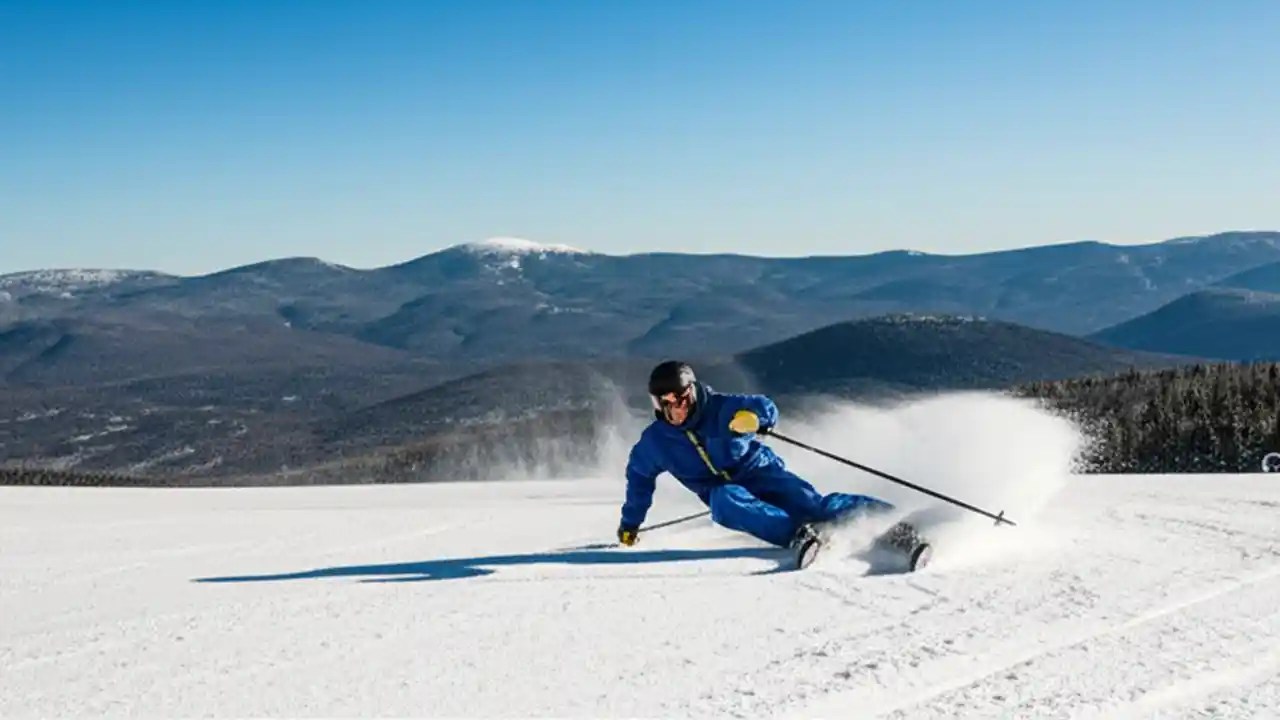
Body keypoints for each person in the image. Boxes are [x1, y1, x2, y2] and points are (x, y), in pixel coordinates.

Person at [616, 360, 906, 561]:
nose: (672, 410)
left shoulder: (721, 408)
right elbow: (639, 479)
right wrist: (630, 524)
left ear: (690, 394)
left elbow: (764, 407)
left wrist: (755, 419)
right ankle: (799, 536)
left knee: (812, 506)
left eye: (676, 400)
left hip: (761, 471)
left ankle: (892, 521)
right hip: (723, 491)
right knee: (725, 500)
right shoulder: (656, 441)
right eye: (662, 403)